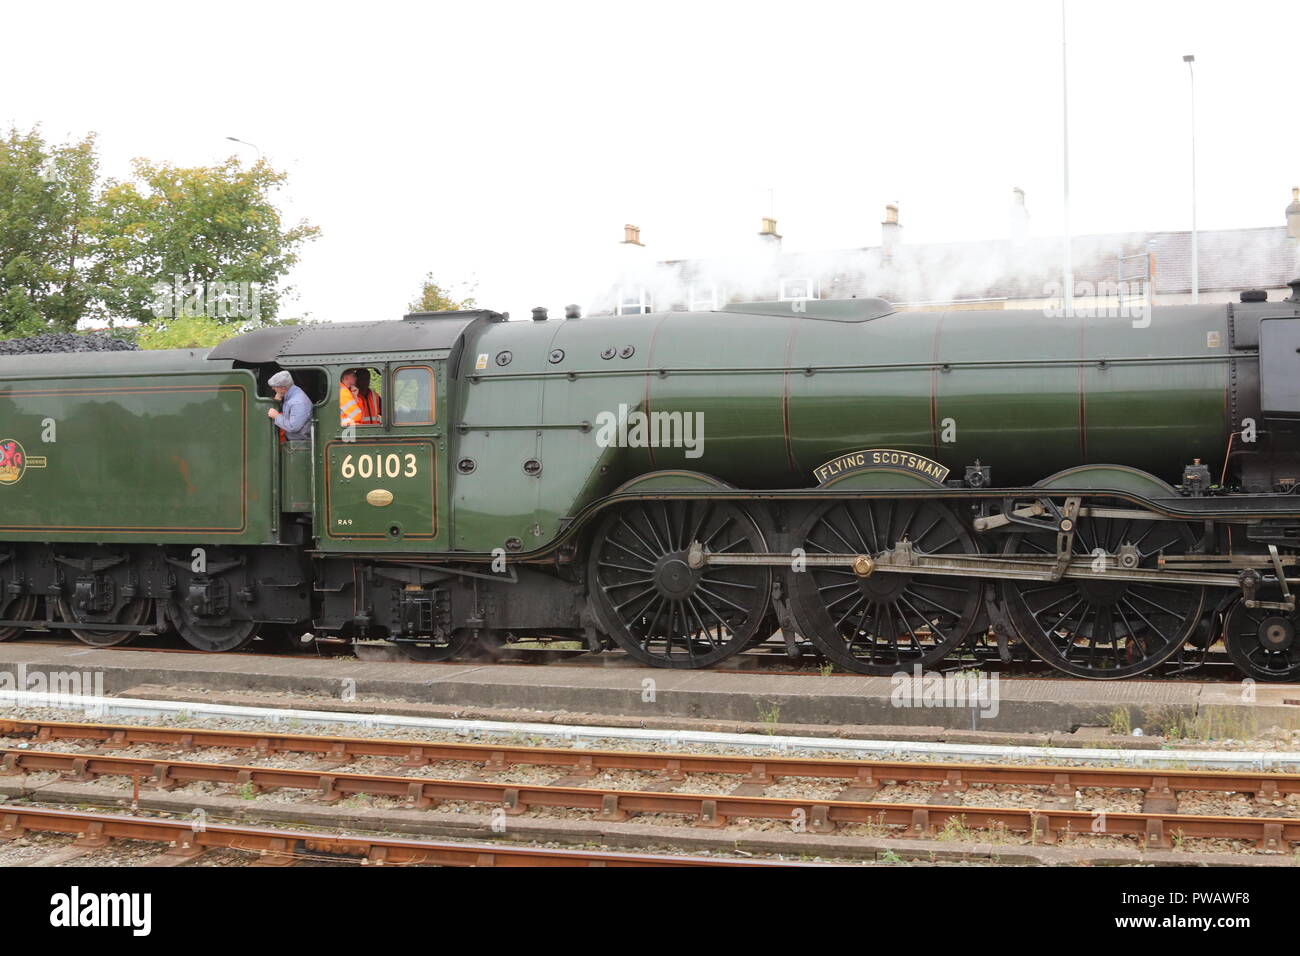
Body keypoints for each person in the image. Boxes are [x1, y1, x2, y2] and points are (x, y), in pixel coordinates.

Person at [268, 370, 312, 440]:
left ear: (283, 388)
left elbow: (293, 427)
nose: (273, 388)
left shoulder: (298, 402)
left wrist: (276, 416)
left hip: (298, 445)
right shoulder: (291, 393)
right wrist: (277, 401)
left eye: (275, 386)